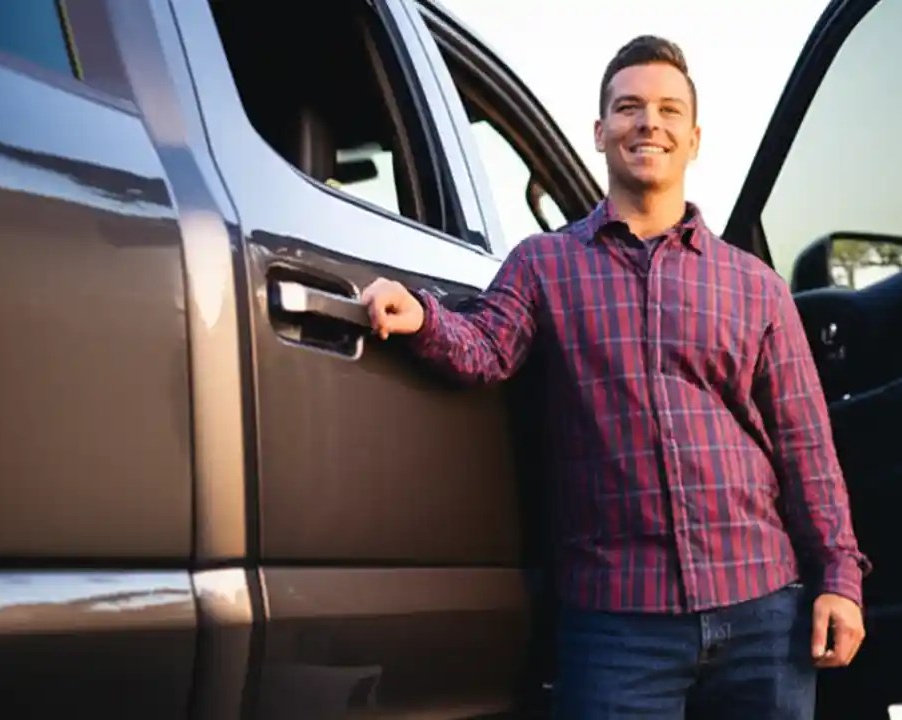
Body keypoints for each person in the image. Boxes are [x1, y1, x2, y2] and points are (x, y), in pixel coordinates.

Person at [361, 34, 870, 719]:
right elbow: (483, 347)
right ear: (600, 132)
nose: (648, 122)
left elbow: (806, 448)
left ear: (694, 137)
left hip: (763, 614)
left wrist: (838, 579)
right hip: (617, 626)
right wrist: (420, 316)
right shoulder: (543, 264)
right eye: (628, 108)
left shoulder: (757, 287)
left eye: (667, 109)